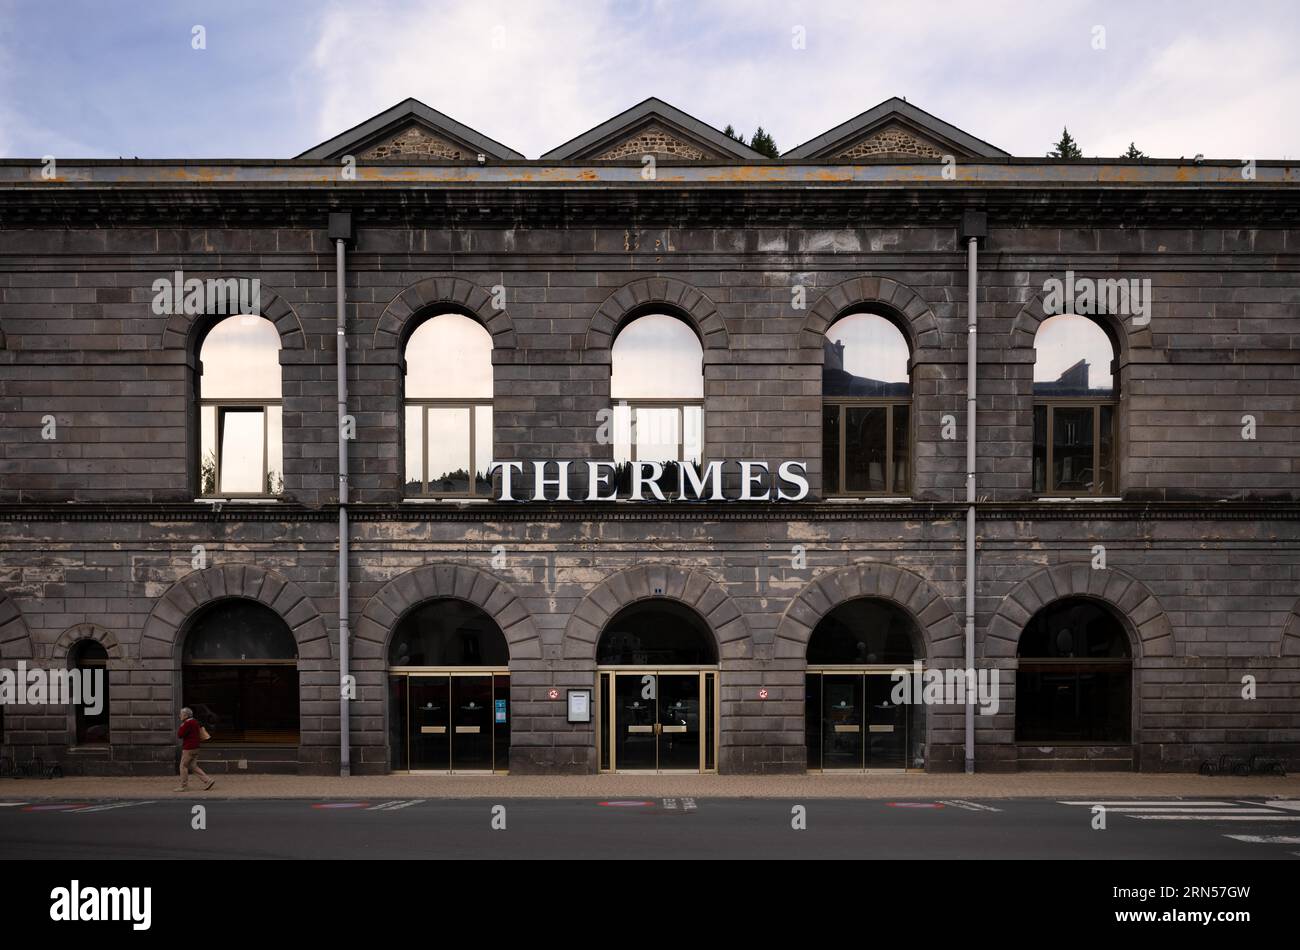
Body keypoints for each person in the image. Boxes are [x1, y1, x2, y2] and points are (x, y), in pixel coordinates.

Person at [175, 707, 215, 792]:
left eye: (181, 714)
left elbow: (180, 735)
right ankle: (208, 781)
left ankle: (184, 786)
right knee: (193, 766)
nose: (179, 716)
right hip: (196, 747)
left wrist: (182, 726)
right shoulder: (195, 721)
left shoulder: (187, 723)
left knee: (183, 766)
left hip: (188, 748)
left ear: (185, 715)